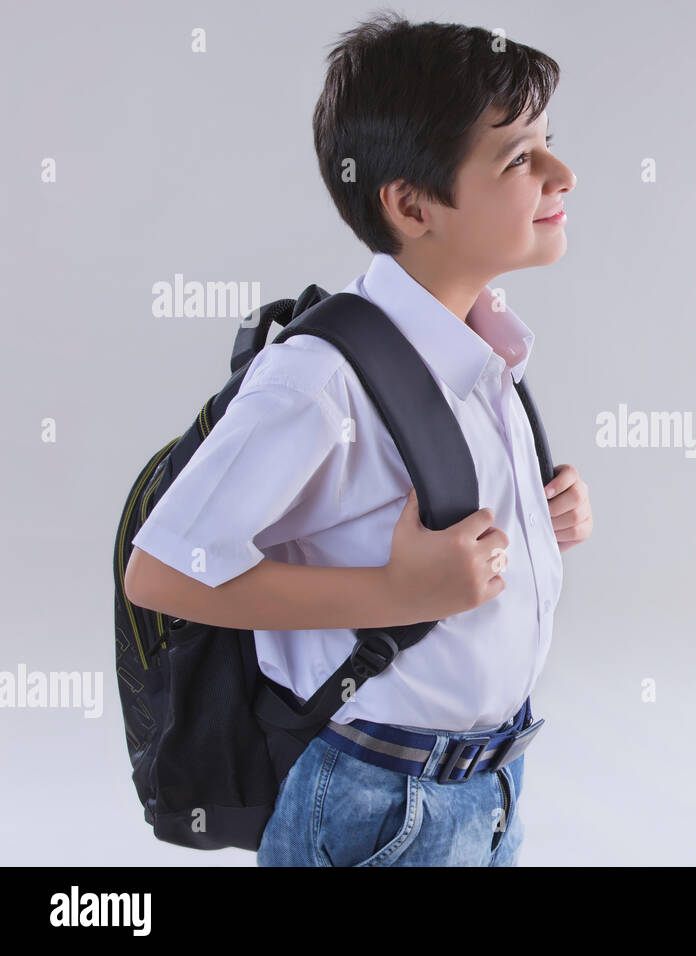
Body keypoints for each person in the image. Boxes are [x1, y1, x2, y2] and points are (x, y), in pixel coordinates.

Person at [122, 13, 592, 866]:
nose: (562, 172)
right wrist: (394, 593)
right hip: (373, 807)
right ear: (412, 204)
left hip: (489, 788)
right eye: (520, 157)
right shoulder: (316, 379)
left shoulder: (484, 351)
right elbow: (161, 572)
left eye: (548, 142)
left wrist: (544, 518)